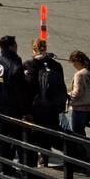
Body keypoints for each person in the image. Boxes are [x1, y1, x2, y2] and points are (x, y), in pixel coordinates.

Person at [0, 35, 31, 175]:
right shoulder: (15, 65)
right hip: (13, 109)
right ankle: (24, 170)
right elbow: (21, 90)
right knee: (18, 139)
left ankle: (4, 166)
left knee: (2, 138)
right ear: (12, 46)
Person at [21, 38, 67, 167]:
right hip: (52, 107)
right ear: (45, 48)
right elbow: (61, 86)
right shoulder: (56, 65)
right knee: (48, 131)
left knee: (33, 134)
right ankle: (44, 157)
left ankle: (32, 163)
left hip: (36, 107)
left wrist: (25, 109)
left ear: (34, 49)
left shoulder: (29, 65)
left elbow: (26, 89)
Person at [64, 50, 90, 137]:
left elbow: (77, 92)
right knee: (81, 132)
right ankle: (83, 149)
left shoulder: (79, 74)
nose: (73, 65)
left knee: (76, 134)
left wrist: (67, 96)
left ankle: (81, 150)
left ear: (78, 61)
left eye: (73, 62)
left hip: (81, 109)